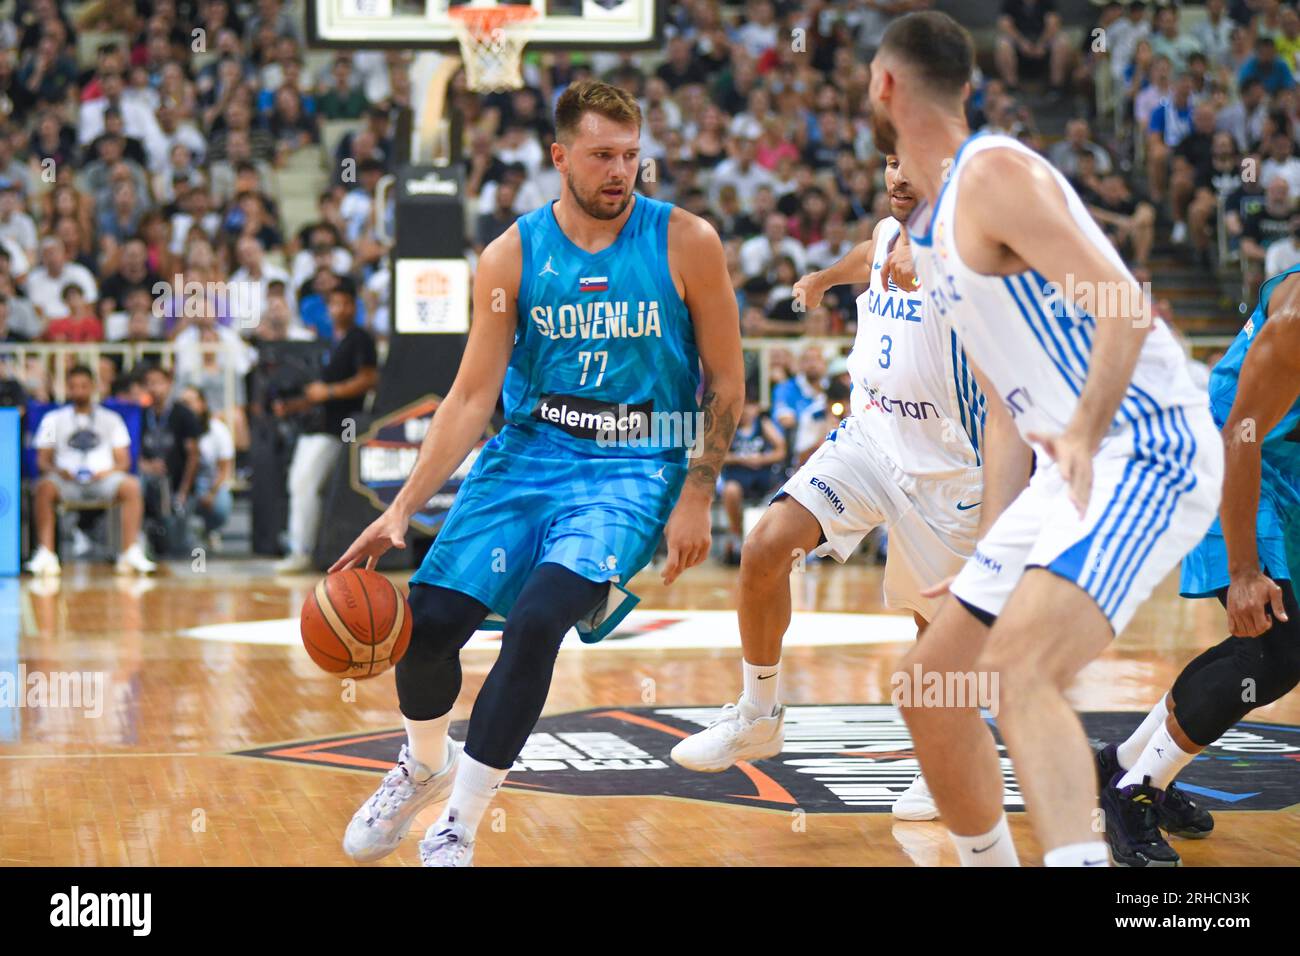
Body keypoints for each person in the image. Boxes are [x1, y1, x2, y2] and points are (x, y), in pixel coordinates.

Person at [329, 80, 743, 867]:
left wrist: (698, 492)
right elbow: (471, 396)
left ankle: (460, 821)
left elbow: (726, 381)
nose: (620, 170)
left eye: (630, 154)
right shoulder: (511, 254)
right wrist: (401, 509)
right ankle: (422, 761)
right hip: (527, 456)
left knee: (539, 619)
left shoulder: (688, 241)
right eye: (601, 156)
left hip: (633, 466)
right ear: (560, 157)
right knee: (424, 632)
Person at [869, 11, 1222, 866]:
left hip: (1145, 442)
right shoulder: (930, 233)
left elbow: (1124, 306)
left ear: (883, 86)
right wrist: (1000, 538)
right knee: (930, 687)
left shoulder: (990, 173)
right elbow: (1002, 408)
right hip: (1066, 466)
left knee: (1019, 669)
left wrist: (1084, 436)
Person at [672, 153, 1009, 823]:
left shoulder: (974, 255)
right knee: (767, 544)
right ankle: (759, 712)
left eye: (913, 164)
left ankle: (944, 758)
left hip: (946, 473)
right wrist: (824, 278)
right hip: (868, 439)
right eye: (889, 162)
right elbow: (868, 251)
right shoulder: (888, 234)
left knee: (934, 637)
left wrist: (940, 263)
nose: (896, 175)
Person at [1095, 264, 1300, 866]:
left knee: (1275, 649)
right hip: (1229, 455)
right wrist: (1243, 574)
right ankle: (1134, 791)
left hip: (1282, 462)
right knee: (1270, 650)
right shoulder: (1295, 321)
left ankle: (1124, 761)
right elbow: (1243, 434)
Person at [273, 276, 378, 573]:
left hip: (338, 429)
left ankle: (302, 551)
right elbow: (317, 392)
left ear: (353, 306)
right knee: (301, 484)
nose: (339, 309)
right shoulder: (329, 343)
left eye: (345, 303)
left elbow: (369, 379)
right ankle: (306, 547)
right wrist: (293, 405)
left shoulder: (360, 338)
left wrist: (329, 392)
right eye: (334, 303)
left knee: (304, 483)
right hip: (315, 425)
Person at [26, 364, 155, 576]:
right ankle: (46, 553)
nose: (79, 391)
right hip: (67, 480)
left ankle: (130, 551)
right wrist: (59, 471)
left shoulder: (111, 419)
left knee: (131, 486)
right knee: (44, 487)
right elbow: (42, 460)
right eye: (73, 386)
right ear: (66, 388)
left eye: (84, 386)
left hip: (103, 479)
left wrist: (107, 472)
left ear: (93, 387)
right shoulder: (52, 420)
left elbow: (124, 460)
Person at [139, 364, 203, 556]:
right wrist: (145, 465)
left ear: (169, 384)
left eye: (158, 383)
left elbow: (193, 456)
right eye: (149, 383)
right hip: (148, 480)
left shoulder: (184, 414)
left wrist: (184, 491)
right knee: (137, 484)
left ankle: (194, 537)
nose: (154, 388)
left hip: (177, 483)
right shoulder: (141, 415)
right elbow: (131, 451)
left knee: (179, 545)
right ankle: (139, 540)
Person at [717, 393, 786, 564]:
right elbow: (716, 455)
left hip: (762, 475)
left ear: (756, 408)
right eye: (743, 405)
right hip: (737, 475)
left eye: (750, 406)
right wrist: (742, 459)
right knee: (730, 490)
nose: (746, 410)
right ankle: (736, 534)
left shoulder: (763, 424)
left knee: (786, 490)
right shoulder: (728, 426)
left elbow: (781, 450)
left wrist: (761, 459)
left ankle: (776, 540)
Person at [181, 385, 235, 552]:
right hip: (184, 484)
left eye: (191, 402)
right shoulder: (177, 427)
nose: (187, 407)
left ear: (202, 404)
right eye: (183, 403)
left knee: (221, 504)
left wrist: (211, 493)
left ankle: (209, 529)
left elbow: (225, 468)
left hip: (208, 484)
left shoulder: (217, 429)